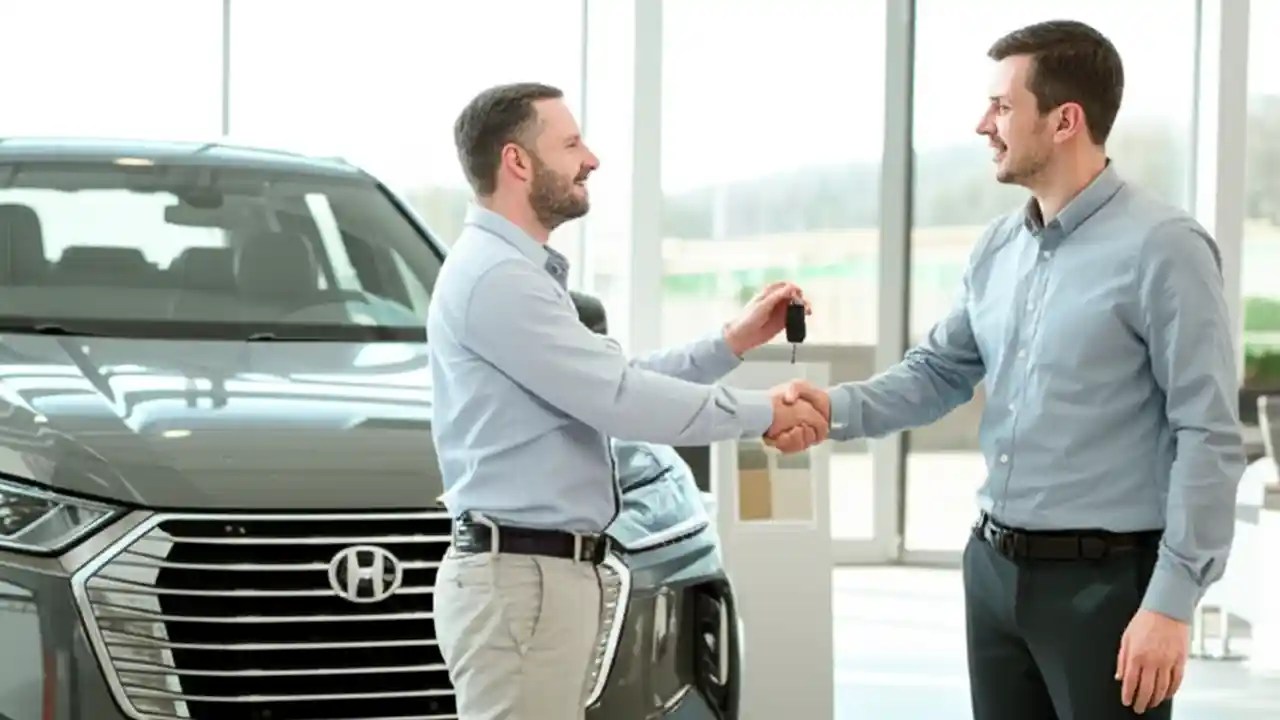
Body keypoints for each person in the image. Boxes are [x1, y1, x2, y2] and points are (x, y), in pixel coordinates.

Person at [772, 19, 1245, 720]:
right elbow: (938, 371)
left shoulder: (1164, 248)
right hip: (993, 573)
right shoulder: (998, 246)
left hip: (1107, 587)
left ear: (1064, 121)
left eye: (1000, 106)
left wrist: (1171, 604)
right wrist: (833, 408)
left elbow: (1208, 433)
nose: (981, 125)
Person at [426, 81, 828, 719]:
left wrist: (731, 343)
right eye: (571, 142)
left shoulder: (514, 272)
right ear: (517, 162)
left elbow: (613, 381)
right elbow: (619, 398)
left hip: (536, 580)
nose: (591, 158)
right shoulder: (499, 278)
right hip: (523, 584)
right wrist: (765, 413)